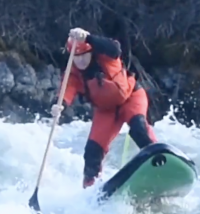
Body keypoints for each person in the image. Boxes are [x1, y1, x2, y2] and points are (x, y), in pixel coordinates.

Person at [50, 27, 158, 188]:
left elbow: (115, 48)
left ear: (91, 52)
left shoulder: (106, 56)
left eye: (83, 56)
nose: (80, 61)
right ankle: (91, 189)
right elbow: (66, 91)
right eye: (76, 57)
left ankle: (159, 161)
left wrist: (88, 38)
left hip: (131, 97)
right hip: (106, 111)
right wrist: (59, 105)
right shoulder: (73, 74)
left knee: (138, 129)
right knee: (92, 151)